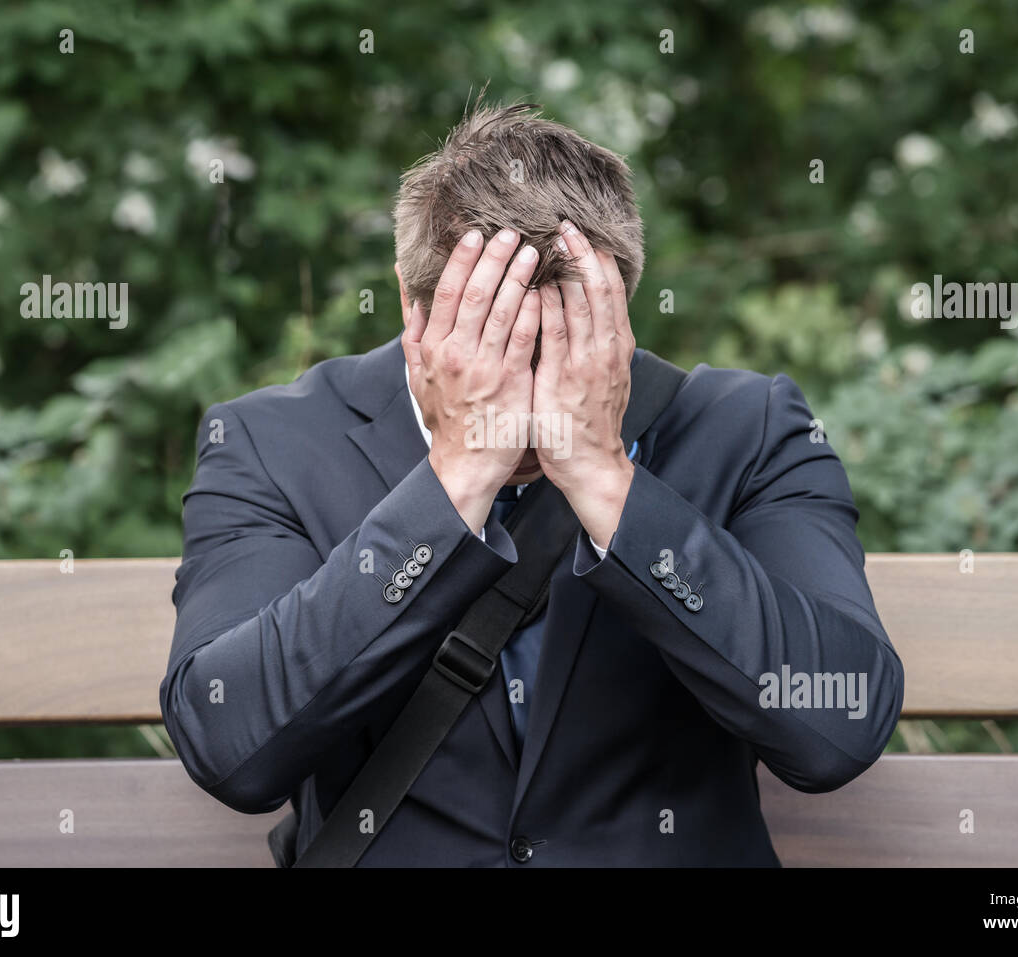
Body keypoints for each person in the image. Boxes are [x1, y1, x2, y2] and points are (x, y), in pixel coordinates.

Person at [159, 102, 904, 866]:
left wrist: (607, 481)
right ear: (412, 307)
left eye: (562, 353)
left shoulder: (745, 427)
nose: (529, 405)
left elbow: (839, 728)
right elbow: (230, 748)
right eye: (492, 348)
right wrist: (454, 480)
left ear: (623, 310)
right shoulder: (271, 441)